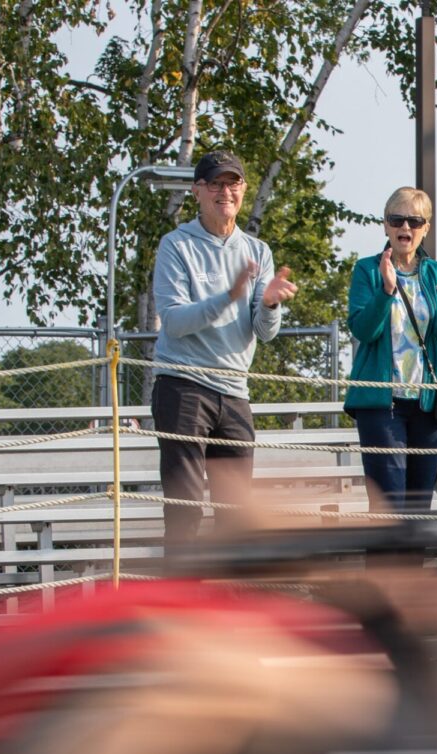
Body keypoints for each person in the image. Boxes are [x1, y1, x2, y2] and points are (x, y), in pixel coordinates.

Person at [150, 150, 299, 549]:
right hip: (182, 387)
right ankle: (178, 606)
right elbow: (175, 321)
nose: (225, 191)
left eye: (233, 182)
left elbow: (264, 333)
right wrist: (227, 296)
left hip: (234, 392)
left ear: (244, 189)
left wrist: (268, 304)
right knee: (184, 511)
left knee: (235, 515)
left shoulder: (258, 251)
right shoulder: (175, 245)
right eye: (215, 183)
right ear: (198, 190)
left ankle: (230, 606)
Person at [344, 187, 437, 513]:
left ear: (425, 228)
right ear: (386, 225)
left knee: (418, 509)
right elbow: (364, 329)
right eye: (397, 219)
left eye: (414, 221)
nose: (406, 227)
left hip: (428, 405)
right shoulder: (367, 269)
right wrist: (386, 291)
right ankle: (386, 566)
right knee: (389, 507)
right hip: (381, 403)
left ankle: (412, 565)